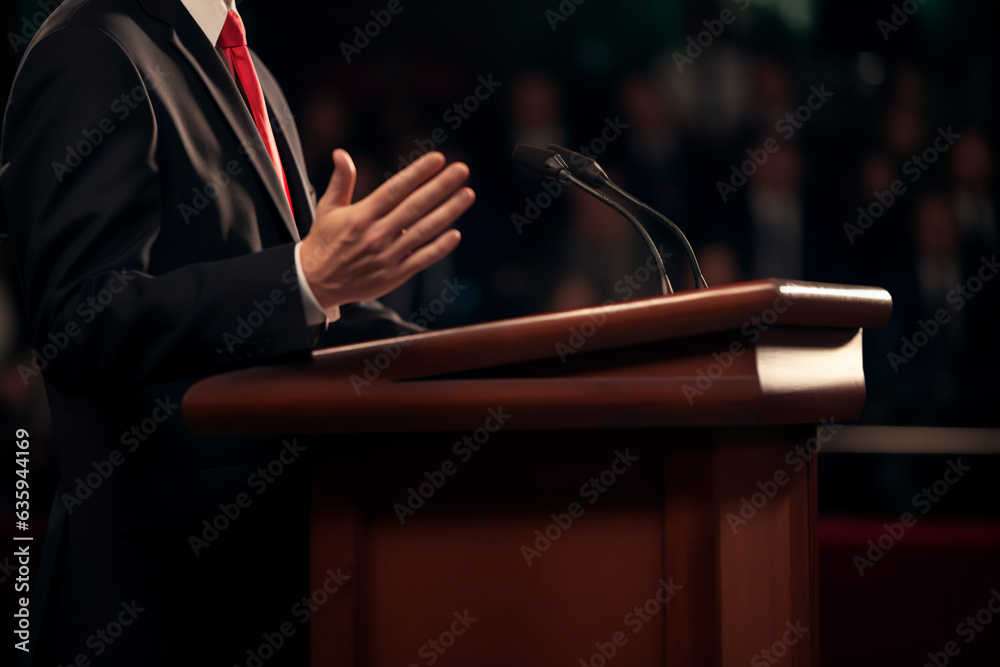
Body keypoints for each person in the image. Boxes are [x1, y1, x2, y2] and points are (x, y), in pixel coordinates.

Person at [0, 0, 474, 663]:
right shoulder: (89, 45)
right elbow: (79, 321)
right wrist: (301, 277)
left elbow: (308, 311)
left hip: (269, 575)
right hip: (158, 600)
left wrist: (481, 363)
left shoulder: (246, 63)